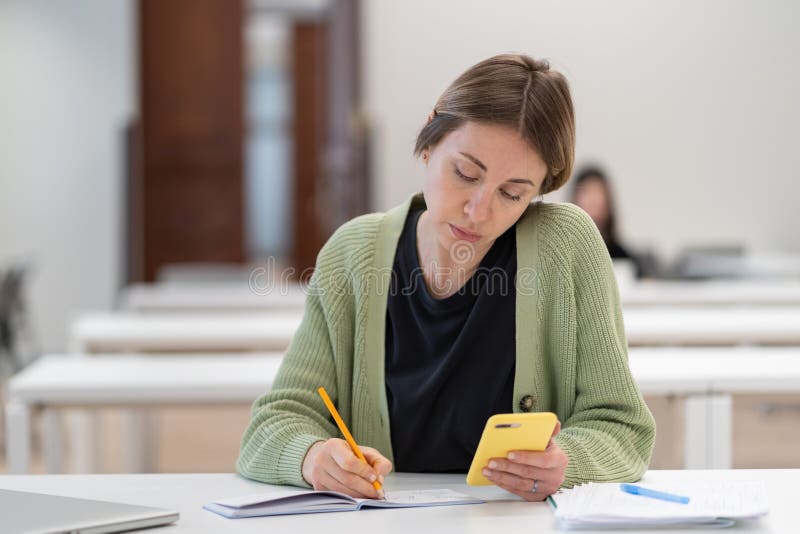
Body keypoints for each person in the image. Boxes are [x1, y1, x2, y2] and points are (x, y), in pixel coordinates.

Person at [237, 54, 655, 502]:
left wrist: (568, 462)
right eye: (465, 173)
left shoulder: (567, 246)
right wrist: (313, 457)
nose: (479, 211)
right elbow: (274, 423)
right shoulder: (352, 255)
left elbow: (622, 426)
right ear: (429, 140)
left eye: (512, 194)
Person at [570, 167, 645, 277]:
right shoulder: (563, 255)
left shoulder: (622, 257)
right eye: (587, 192)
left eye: (599, 192)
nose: (593, 199)